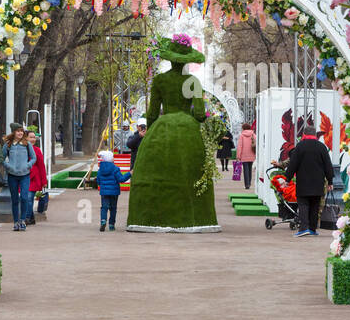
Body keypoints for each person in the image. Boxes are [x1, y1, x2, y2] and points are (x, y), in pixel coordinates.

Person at [124, 34, 221, 233]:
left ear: (170, 58)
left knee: (155, 173)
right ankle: (197, 218)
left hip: (162, 129)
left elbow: (151, 114)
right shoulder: (192, 81)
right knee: (193, 173)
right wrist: (194, 119)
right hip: (189, 131)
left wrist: (150, 134)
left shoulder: (160, 80)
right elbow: (201, 114)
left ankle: (149, 218)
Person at [285, 121, 335, 238]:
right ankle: (312, 229)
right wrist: (330, 181)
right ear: (315, 134)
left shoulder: (300, 147)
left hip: (303, 181)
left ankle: (303, 228)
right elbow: (328, 165)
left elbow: (293, 164)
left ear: (304, 134)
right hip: (318, 182)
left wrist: (287, 178)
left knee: (303, 204)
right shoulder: (322, 147)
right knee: (315, 205)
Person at [3, 125, 37, 231]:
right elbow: (1, 158)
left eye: (21, 131)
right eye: (18, 131)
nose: (20, 133)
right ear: (14, 132)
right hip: (12, 176)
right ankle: (16, 222)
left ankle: (23, 220)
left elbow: (34, 158)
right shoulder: (8, 145)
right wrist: (8, 167)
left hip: (25, 175)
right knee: (14, 199)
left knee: (24, 197)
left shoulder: (27, 144)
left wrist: (28, 165)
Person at [96, 149, 131, 231]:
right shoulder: (115, 169)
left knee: (104, 207)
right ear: (110, 159)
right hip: (114, 192)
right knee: (113, 208)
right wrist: (130, 173)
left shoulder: (100, 170)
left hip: (104, 192)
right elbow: (121, 179)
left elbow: (98, 181)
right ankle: (111, 225)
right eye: (112, 157)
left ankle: (103, 221)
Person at [27, 129, 48, 224]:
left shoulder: (37, 150)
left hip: (34, 178)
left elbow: (41, 166)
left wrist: (44, 181)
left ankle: (27, 218)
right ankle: (31, 218)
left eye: (34, 137)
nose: (33, 139)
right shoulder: (22, 148)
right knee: (26, 198)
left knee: (29, 197)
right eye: (30, 137)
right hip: (23, 176)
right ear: (26, 138)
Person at [236, 122, 256, 190]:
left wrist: (238, 156)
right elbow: (256, 144)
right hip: (252, 155)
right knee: (250, 169)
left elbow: (240, 146)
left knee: (246, 170)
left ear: (243, 128)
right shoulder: (253, 134)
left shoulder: (242, 135)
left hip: (244, 155)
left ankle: (247, 184)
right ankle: (249, 183)